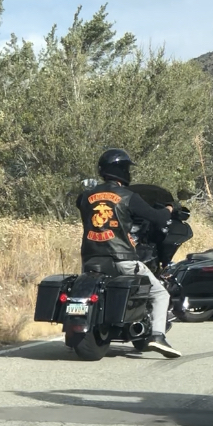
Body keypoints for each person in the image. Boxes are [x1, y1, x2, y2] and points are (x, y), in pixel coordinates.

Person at [77, 149, 182, 358]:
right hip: (121, 259)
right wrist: (169, 209)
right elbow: (158, 218)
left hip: (91, 260)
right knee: (160, 294)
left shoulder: (85, 196)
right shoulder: (128, 196)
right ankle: (157, 336)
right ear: (123, 170)